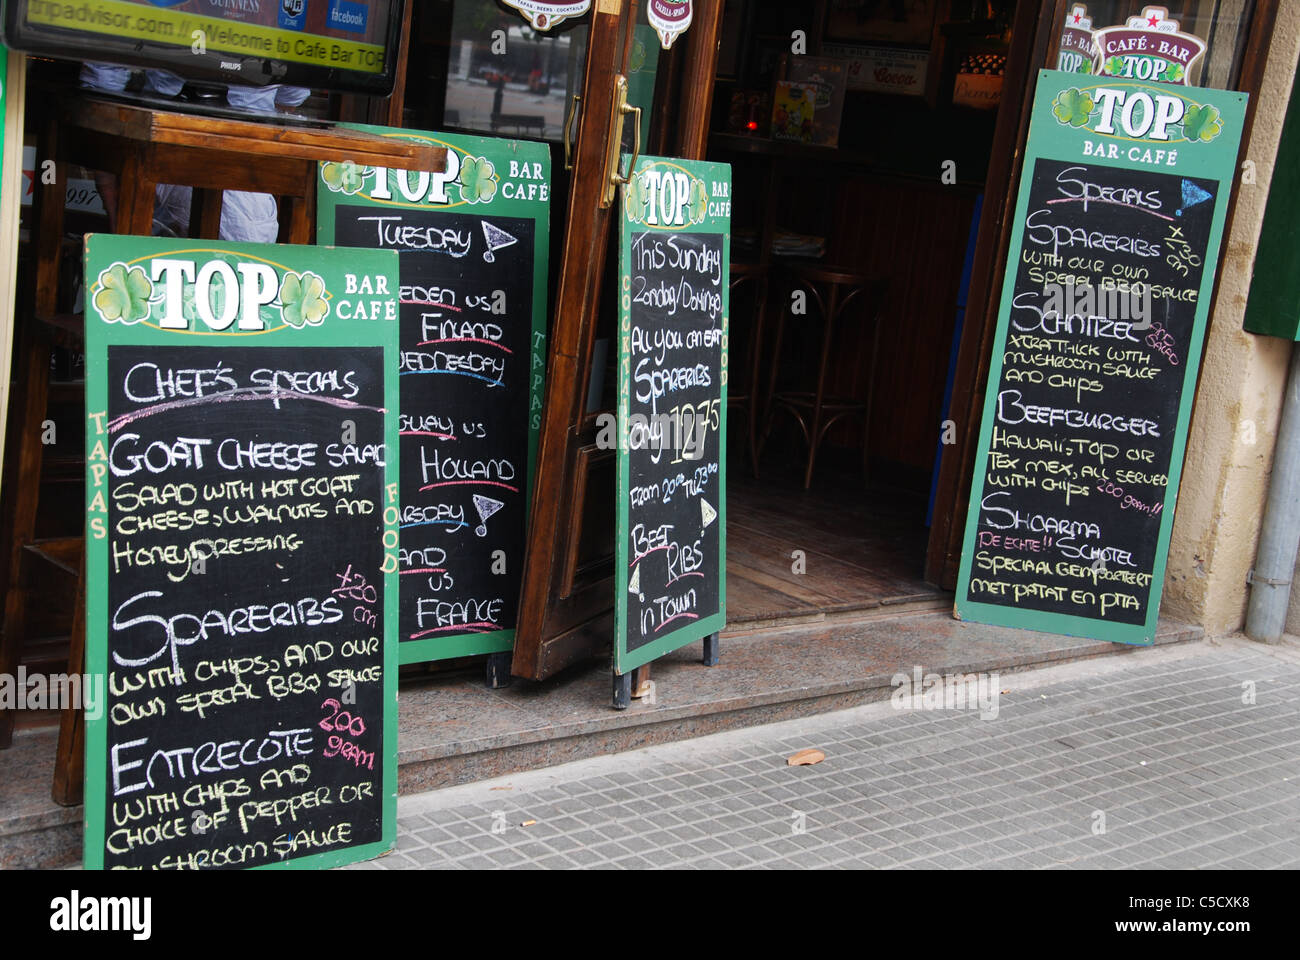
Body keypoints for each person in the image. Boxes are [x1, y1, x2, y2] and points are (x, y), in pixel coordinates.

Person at [78, 63, 311, 242]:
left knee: (245, 238)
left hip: (170, 141)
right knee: (246, 238)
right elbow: (291, 95)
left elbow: (103, 81)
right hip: (165, 139)